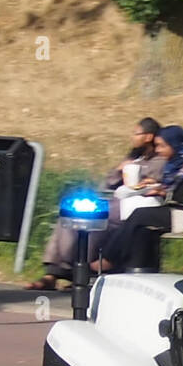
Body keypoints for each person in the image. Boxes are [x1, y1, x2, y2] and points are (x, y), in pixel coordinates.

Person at [24, 118, 164, 290]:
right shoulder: (133, 157)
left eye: (136, 134)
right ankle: (52, 273)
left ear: (148, 136)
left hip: (131, 209)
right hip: (114, 202)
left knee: (93, 221)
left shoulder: (159, 161)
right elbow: (107, 184)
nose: (132, 138)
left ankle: (81, 274)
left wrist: (138, 174)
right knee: (68, 215)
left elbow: (151, 184)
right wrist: (120, 169)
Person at [90, 125, 183, 273]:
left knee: (140, 215)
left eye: (161, 146)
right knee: (141, 227)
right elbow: (175, 187)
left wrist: (164, 192)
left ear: (175, 144)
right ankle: (136, 271)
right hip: (175, 210)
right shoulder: (177, 164)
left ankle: (108, 260)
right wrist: (158, 186)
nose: (157, 150)